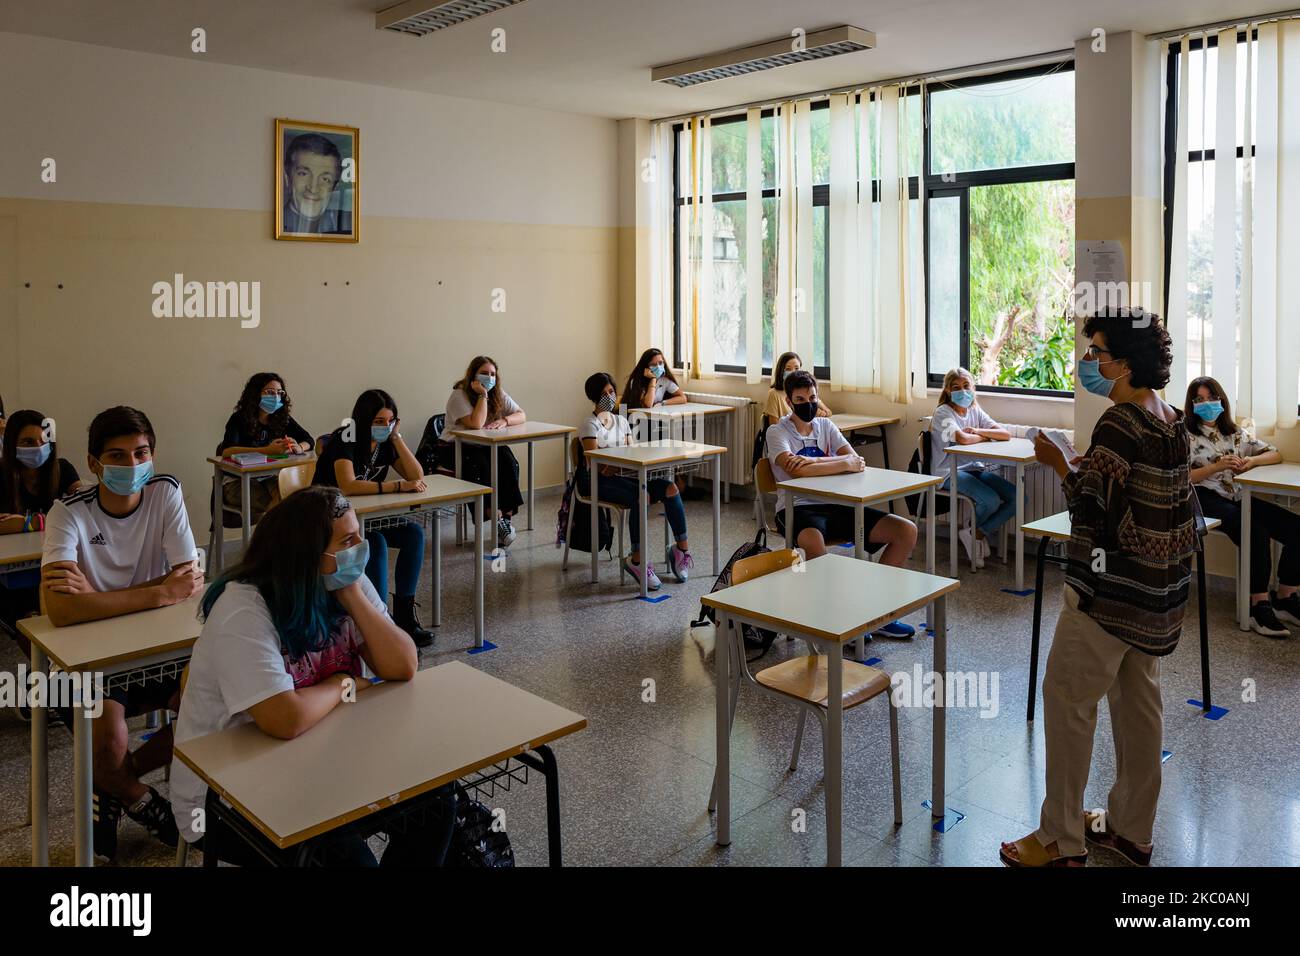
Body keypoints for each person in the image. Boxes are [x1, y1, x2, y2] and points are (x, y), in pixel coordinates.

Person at [1001, 309, 1196, 868]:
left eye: (1099, 351)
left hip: (1107, 595)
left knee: (1067, 701)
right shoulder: (1173, 421)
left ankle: (1060, 840)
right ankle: (1133, 833)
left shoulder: (1118, 422)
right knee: (1139, 711)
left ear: (1127, 362)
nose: (1091, 361)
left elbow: (1093, 514)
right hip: (1154, 597)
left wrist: (1060, 463)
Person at [170, 486, 455, 866]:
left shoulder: (342, 583)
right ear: (306, 554)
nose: (361, 546)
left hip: (324, 763)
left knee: (437, 799)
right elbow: (285, 718)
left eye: (359, 535)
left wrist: (352, 593)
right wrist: (345, 685)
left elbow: (403, 665)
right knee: (344, 859)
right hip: (226, 797)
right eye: (348, 540)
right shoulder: (244, 610)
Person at [41, 406, 202, 860]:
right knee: (108, 744)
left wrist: (94, 597)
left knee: (213, 711)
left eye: (141, 453)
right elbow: (59, 611)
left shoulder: (165, 492)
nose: (131, 466)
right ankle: (148, 803)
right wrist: (158, 592)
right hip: (89, 663)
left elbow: (188, 584)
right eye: (117, 456)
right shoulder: (66, 513)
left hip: (157, 651)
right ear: (93, 464)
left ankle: (115, 784)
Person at [767, 370, 918, 638]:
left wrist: (817, 463)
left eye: (812, 397)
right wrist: (839, 464)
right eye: (800, 399)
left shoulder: (826, 426)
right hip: (796, 508)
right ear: (789, 403)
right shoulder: (777, 431)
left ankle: (877, 612)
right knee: (815, 547)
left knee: (906, 531)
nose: (808, 404)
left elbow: (856, 462)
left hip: (837, 505)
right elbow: (794, 470)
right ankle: (835, 622)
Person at [312, 389, 434, 647]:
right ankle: (380, 620)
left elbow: (417, 475)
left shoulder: (386, 445)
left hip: (366, 517)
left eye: (390, 421)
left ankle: (404, 615)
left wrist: (397, 437)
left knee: (414, 533)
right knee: (374, 542)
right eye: (379, 421)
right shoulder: (345, 439)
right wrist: (397, 487)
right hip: (330, 520)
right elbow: (348, 485)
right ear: (364, 419)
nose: (384, 426)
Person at [1184, 376, 1297, 637]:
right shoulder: (1184, 434)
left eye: (1211, 398)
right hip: (1202, 497)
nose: (1207, 404)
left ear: (1221, 400)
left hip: (1235, 497)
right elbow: (1181, 477)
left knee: (1295, 527)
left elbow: (1275, 453)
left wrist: (1251, 463)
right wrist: (1217, 466)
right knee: (1254, 531)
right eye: (1199, 399)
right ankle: (1257, 605)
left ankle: (1285, 597)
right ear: (1192, 404)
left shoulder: (1233, 434)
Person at [577, 372, 692, 590]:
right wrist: (619, 462)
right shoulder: (590, 425)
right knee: (642, 495)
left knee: (670, 488)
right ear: (594, 397)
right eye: (603, 394)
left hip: (627, 476)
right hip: (598, 481)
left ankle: (681, 550)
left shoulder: (621, 421)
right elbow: (598, 465)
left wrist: (621, 462)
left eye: (611, 392)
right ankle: (637, 560)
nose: (609, 397)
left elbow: (632, 454)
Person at [0, 409, 83, 645]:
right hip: (10, 572)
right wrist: (51, 518)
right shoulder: (2, 475)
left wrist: (30, 522)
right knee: (28, 616)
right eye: (27, 442)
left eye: (43, 440)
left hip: (55, 558)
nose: (37, 447)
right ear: (11, 445)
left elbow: (84, 508)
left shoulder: (63, 469)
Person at [433, 356, 527, 548]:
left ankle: (505, 521)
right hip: (453, 448)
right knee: (479, 467)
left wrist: (505, 421)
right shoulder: (459, 395)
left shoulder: (498, 392)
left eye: (493, 374)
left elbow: (521, 414)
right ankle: (495, 517)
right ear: (473, 375)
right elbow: (476, 424)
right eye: (484, 373)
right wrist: (483, 395)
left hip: (483, 445)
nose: (489, 377)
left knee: (508, 460)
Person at [930, 367, 1017, 568]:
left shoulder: (974, 410)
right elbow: (962, 438)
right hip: (948, 472)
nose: (962, 391)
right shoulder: (943, 412)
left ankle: (975, 533)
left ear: (972, 388)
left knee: (1019, 497)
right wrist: (986, 435)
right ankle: (973, 534)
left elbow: (1004, 434)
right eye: (956, 387)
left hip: (975, 469)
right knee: (991, 500)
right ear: (948, 391)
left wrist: (978, 431)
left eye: (966, 386)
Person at [215, 371, 313, 525]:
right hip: (237, 482)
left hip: (268, 477)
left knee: (291, 496)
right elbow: (227, 451)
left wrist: (299, 447)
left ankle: (274, 545)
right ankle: (269, 546)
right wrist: (267, 450)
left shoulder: (281, 418)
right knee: (283, 503)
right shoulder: (238, 419)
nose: (275, 397)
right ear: (255, 394)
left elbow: (308, 440)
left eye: (279, 393)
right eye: (269, 392)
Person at [281, 132, 352, 235]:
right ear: (287, 177)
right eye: (303, 174)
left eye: (325, 179)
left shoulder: (344, 225)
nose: (313, 188)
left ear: (334, 187)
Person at [762, 352, 831, 428]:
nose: (793, 372)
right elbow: (773, 427)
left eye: (796, 368)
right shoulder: (774, 394)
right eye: (788, 369)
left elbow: (828, 412)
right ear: (781, 371)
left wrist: (821, 413)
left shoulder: (805, 391)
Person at [620, 348, 687, 411]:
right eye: (653, 364)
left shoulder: (664, 380)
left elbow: (683, 398)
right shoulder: (636, 381)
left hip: (652, 417)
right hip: (631, 417)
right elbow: (648, 404)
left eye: (660, 363)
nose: (658, 367)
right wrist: (653, 379)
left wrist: (662, 403)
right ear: (645, 367)